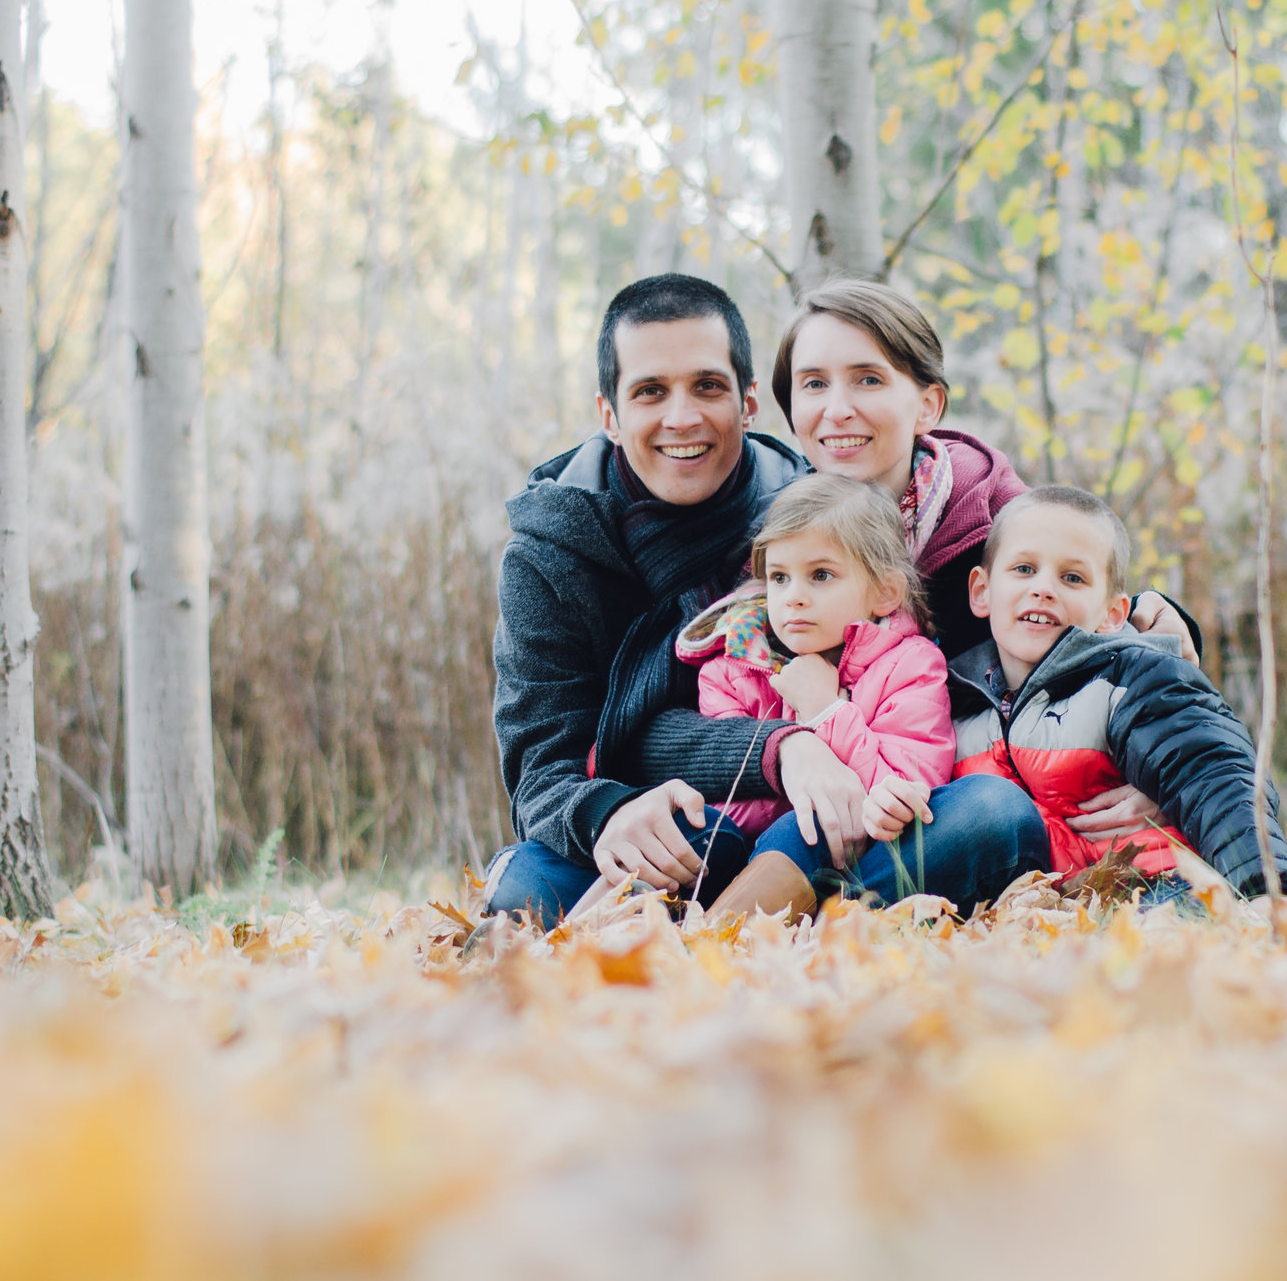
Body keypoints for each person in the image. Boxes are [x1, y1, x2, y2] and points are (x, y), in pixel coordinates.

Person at [484, 274, 1044, 925]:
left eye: (707, 387)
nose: (682, 418)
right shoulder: (551, 552)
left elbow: (1055, 569)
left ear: (749, 404)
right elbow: (544, 766)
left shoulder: (806, 510)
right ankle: (743, 920)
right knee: (534, 882)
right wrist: (607, 813)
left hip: (832, 818)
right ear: (609, 415)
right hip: (676, 821)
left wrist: (1151, 617)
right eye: (649, 392)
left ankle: (738, 928)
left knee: (988, 817)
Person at [760, 277, 1201, 857]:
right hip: (817, 806)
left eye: (868, 379)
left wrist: (1162, 770)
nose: (837, 410)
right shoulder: (776, 534)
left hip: (953, 805)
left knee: (988, 809)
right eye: (814, 384)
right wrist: (790, 742)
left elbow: (1088, 604)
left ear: (927, 405)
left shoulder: (996, 519)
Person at [948, 485, 1287, 898]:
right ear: (981, 591)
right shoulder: (958, 703)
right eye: (1024, 569)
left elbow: (1217, 773)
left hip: (1160, 882)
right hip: (1057, 909)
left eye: (1072, 577)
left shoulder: (1131, 680)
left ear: (1113, 614)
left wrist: (1265, 888)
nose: (1043, 588)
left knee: (1168, 939)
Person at [676, 476, 955, 919]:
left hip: (858, 857)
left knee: (808, 827)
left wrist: (827, 711)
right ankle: (619, 942)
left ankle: (721, 940)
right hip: (743, 856)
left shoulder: (910, 665)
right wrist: (792, 770)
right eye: (780, 578)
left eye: (821, 575)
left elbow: (908, 786)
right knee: (694, 826)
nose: (794, 599)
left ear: (885, 592)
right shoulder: (731, 670)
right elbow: (726, 799)